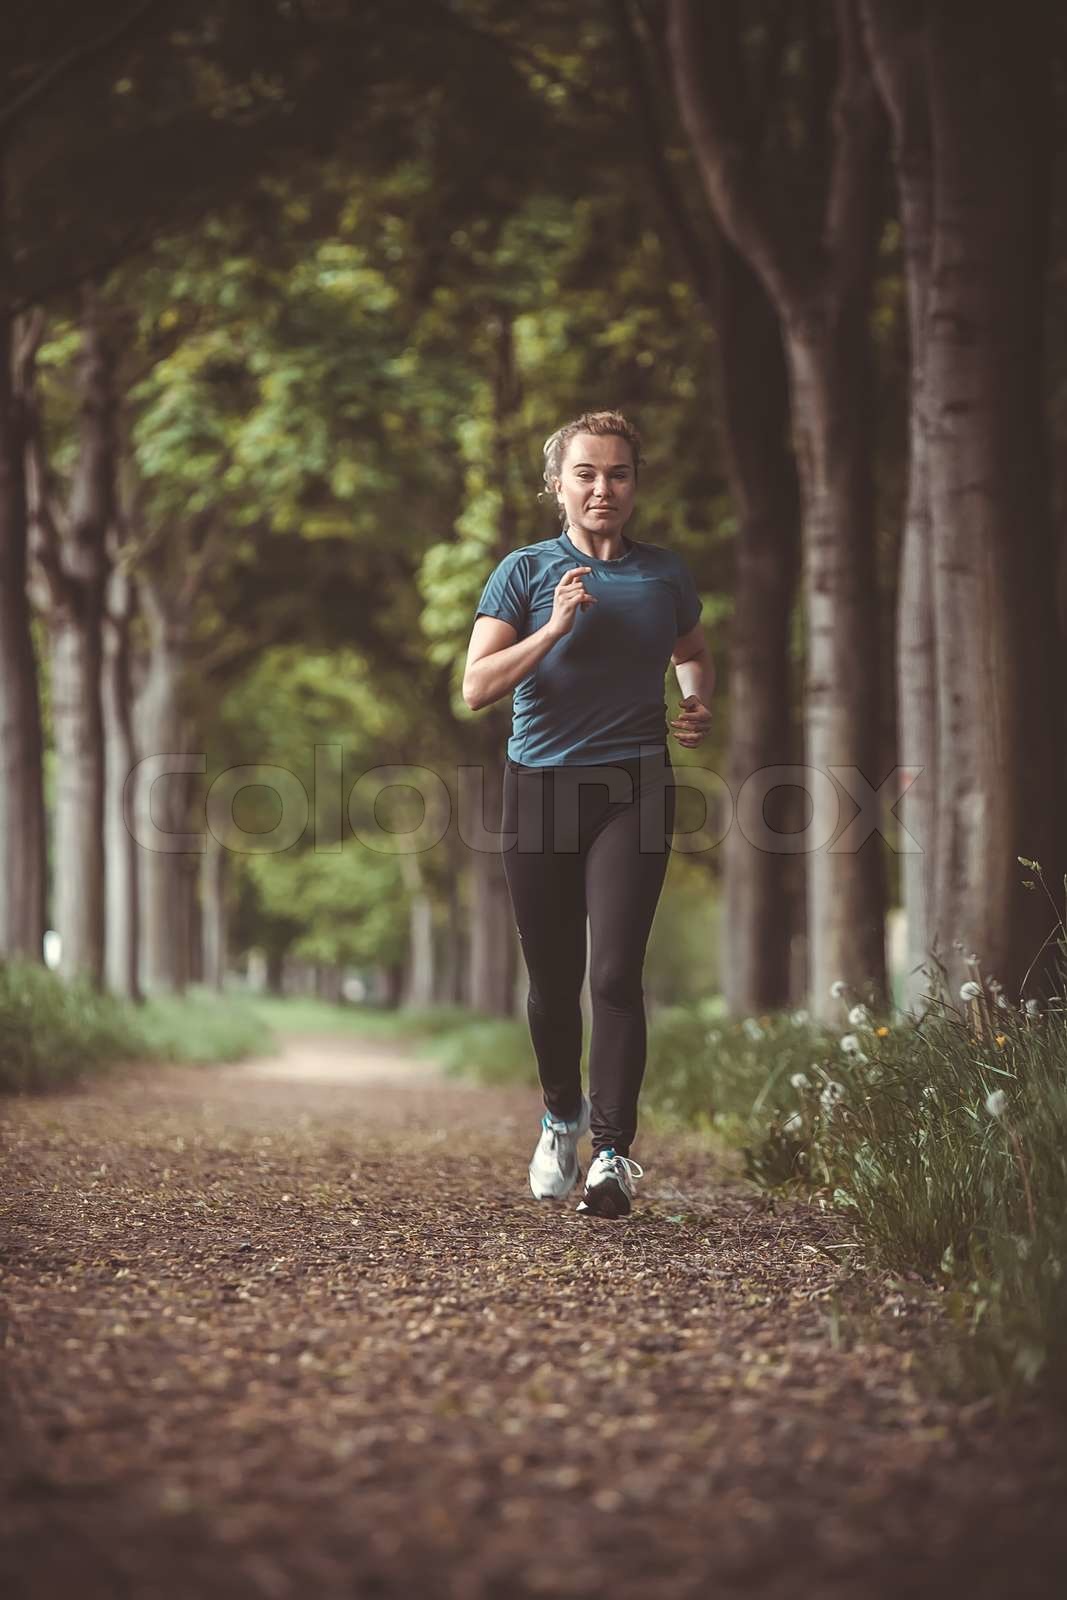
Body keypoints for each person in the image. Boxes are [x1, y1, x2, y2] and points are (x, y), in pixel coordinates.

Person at [462, 410, 713, 1218]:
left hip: (634, 787)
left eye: (618, 474)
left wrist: (696, 701)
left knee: (613, 976)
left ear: (634, 484)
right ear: (557, 486)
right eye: (585, 474)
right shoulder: (524, 571)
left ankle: (609, 1154)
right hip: (540, 787)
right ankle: (560, 1115)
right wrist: (555, 627)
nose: (602, 488)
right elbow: (476, 687)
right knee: (552, 982)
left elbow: (692, 652)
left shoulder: (664, 575)